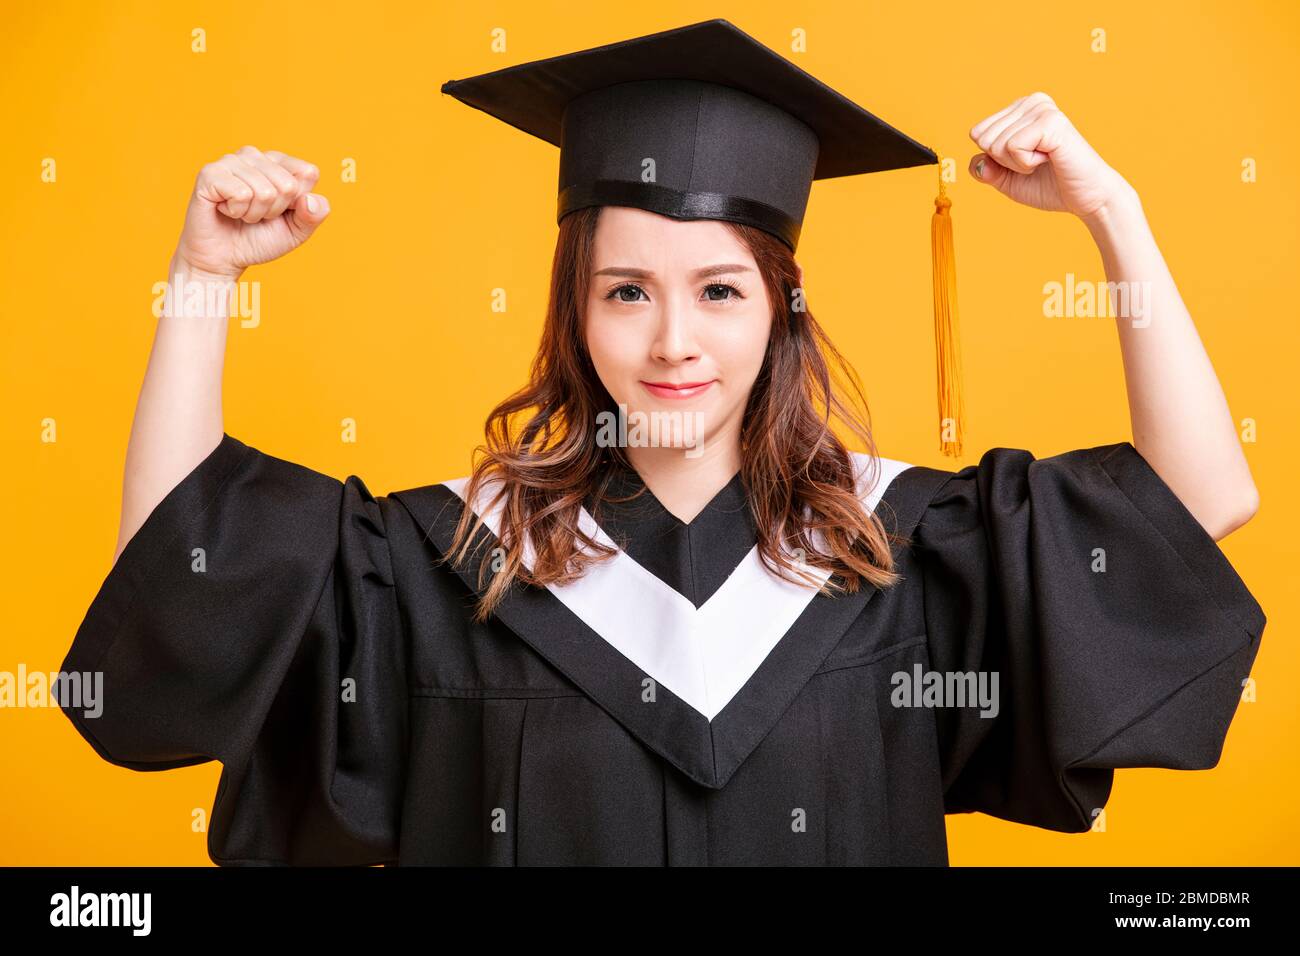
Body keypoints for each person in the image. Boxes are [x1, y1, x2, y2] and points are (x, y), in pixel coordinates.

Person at [58, 19, 1265, 866]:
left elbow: (1201, 494)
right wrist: (204, 274)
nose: (673, 338)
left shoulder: (899, 545)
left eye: (721, 291)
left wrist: (1114, 214)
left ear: (782, 305)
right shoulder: (439, 563)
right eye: (626, 290)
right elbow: (175, 565)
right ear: (573, 311)